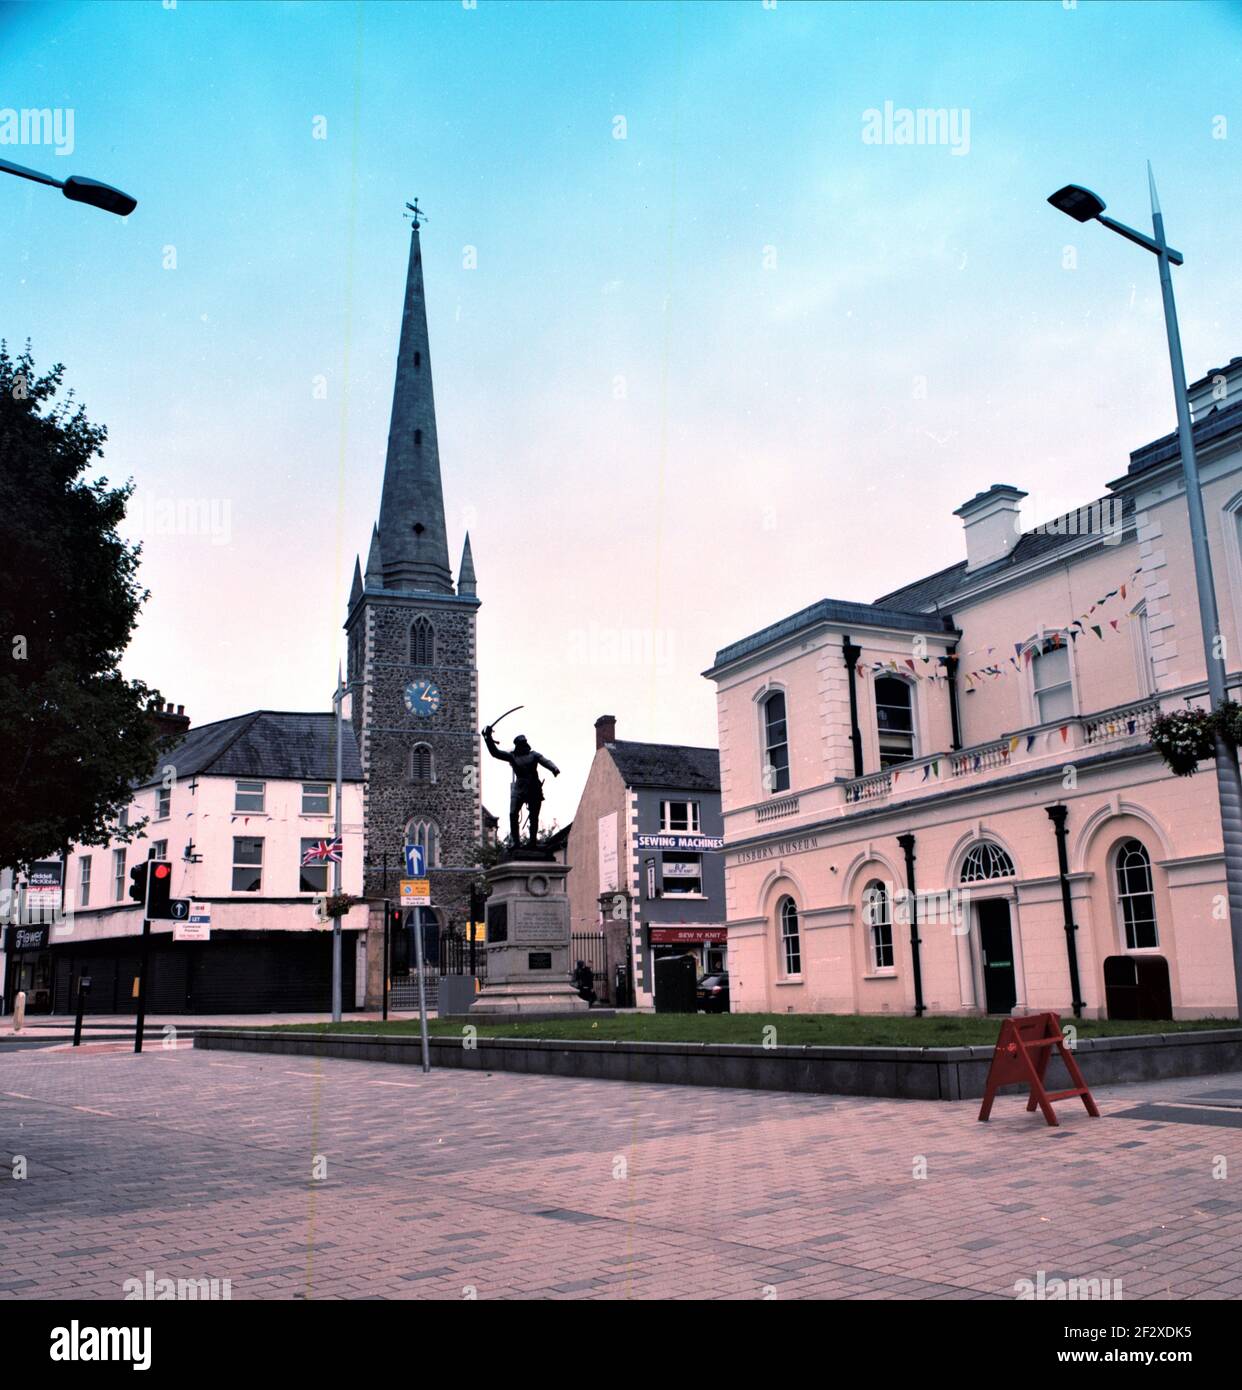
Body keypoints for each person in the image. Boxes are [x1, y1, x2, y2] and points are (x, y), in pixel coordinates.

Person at [482, 725, 560, 847]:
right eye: (522, 744)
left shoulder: (534, 755)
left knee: (534, 816)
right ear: (518, 745)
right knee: (513, 813)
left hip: (534, 787)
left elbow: (545, 761)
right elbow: (495, 753)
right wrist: (488, 738)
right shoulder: (512, 756)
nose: (524, 746)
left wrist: (554, 768)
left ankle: (533, 842)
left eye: (525, 743)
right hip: (519, 787)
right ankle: (516, 842)